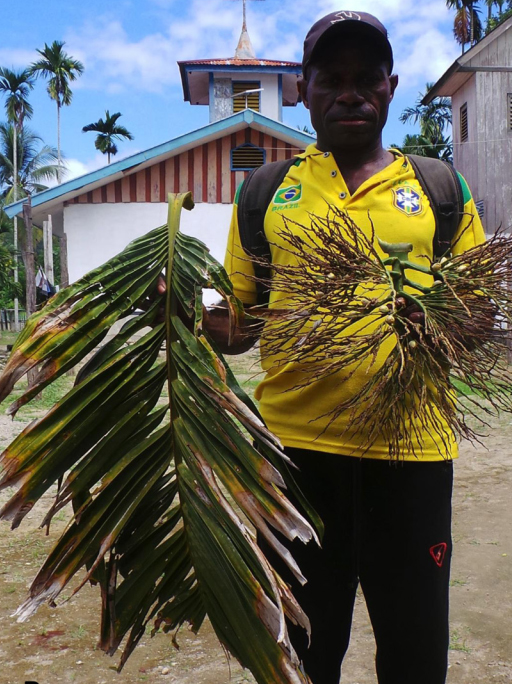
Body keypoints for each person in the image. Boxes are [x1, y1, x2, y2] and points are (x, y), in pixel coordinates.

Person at [202, 11, 486, 684]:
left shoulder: (438, 188)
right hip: (295, 459)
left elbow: (479, 316)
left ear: (390, 89)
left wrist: (439, 320)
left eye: (365, 79)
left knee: (415, 657)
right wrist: (198, 311)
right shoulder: (266, 193)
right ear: (303, 90)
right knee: (300, 656)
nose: (349, 92)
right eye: (331, 78)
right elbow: (240, 320)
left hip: (410, 454)